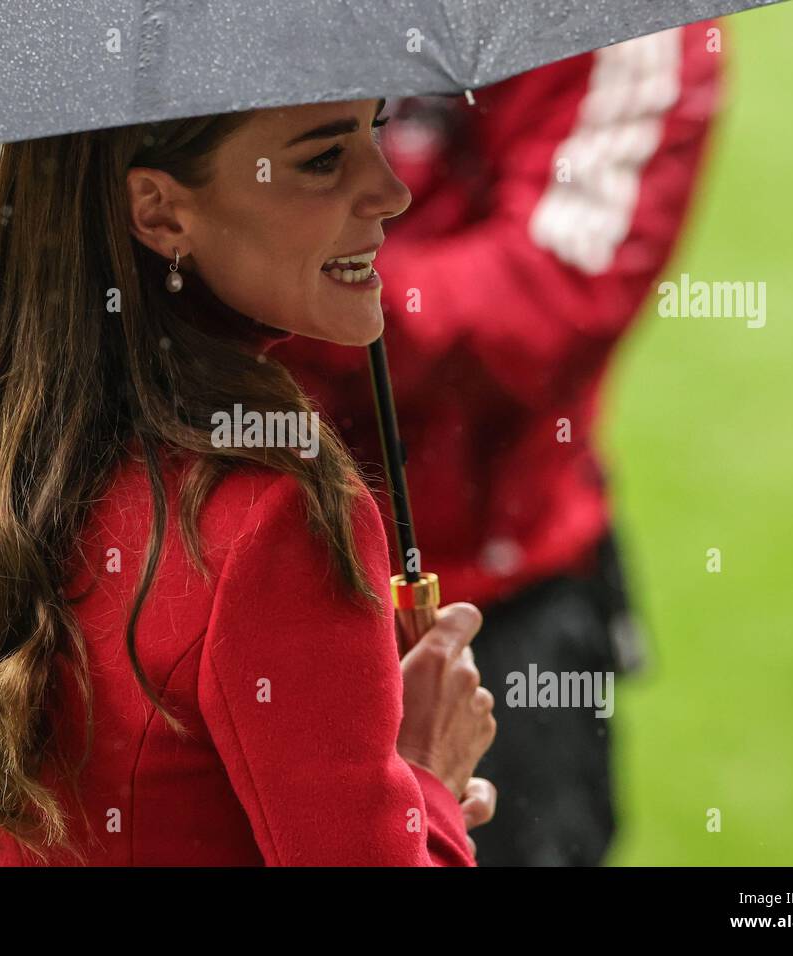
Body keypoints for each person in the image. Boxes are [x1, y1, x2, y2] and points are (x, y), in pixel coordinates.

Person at [0, 99, 499, 865]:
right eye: (323, 159)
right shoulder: (269, 519)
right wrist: (425, 779)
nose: (391, 190)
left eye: (378, 131)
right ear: (158, 212)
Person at [271, 23, 724, 864]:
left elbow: (555, 292)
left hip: (484, 600)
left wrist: (266, 296)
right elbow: (37, 231)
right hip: (184, 570)